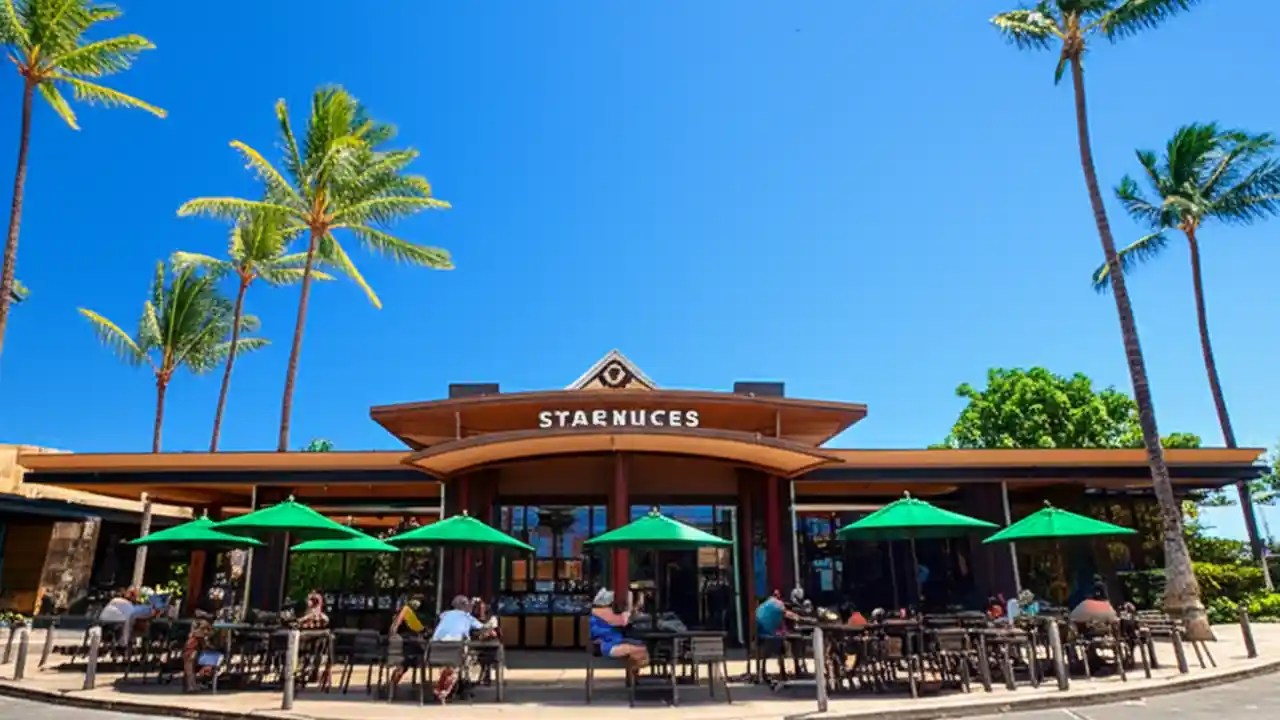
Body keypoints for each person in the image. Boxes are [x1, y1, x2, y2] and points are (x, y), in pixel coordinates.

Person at [430, 595, 496, 703]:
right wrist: (491, 625)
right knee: (457, 668)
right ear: (465, 606)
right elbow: (483, 627)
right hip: (455, 651)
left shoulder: (445, 615)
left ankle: (438, 690)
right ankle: (444, 693)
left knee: (448, 667)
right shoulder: (467, 617)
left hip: (435, 652)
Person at [588, 588, 649, 677]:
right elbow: (624, 621)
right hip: (606, 646)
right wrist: (631, 606)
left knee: (641, 648)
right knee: (642, 649)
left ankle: (633, 675)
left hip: (611, 642)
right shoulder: (602, 612)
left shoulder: (600, 611)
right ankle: (633, 674)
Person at [755, 589, 800, 683]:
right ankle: (787, 671)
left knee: (781, 639)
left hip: (760, 635)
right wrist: (799, 617)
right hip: (771, 636)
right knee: (790, 642)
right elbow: (787, 614)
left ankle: (762, 670)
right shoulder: (778, 604)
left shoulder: (763, 605)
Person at [385, 596, 426, 692]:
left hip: (396, 647)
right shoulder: (406, 611)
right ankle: (394, 683)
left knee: (406, 662)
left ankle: (392, 685)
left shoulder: (397, 616)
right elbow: (419, 628)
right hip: (405, 645)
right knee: (418, 655)